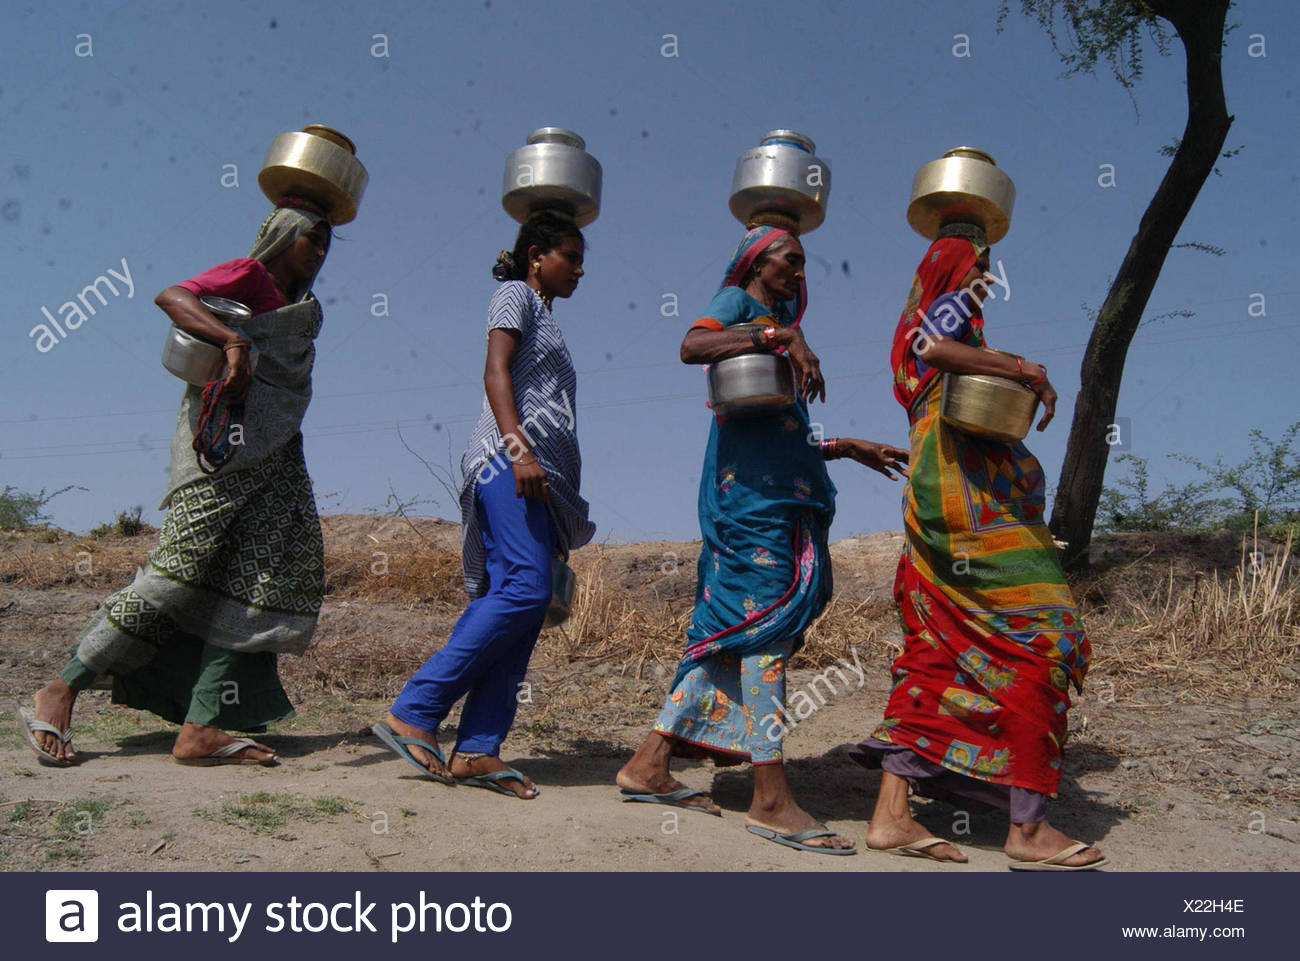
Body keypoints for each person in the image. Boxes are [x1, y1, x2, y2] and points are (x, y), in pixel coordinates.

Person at [617, 223, 910, 855]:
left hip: (779, 498)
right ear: (756, 262)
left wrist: (842, 446)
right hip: (748, 507)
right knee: (764, 636)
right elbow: (692, 345)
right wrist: (780, 333)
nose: (798, 275)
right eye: (790, 261)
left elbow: (780, 436)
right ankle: (770, 797)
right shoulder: (738, 306)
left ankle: (648, 764)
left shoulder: (770, 327)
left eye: (804, 267)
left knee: (738, 634)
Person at [19, 199, 336, 766]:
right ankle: (62, 687)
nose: (320, 249)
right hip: (222, 451)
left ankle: (202, 726)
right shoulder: (249, 275)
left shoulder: (304, 308)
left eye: (326, 241)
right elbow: (172, 296)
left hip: (277, 457)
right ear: (282, 237)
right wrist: (234, 341)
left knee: (263, 578)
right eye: (311, 237)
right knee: (175, 572)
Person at [851, 225, 1107, 870]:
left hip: (942, 509)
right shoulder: (946, 321)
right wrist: (1025, 370)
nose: (985, 277)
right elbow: (935, 346)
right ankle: (1027, 829)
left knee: (939, 648)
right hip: (968, 512)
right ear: (948, 270)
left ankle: (891, 817)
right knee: (1045, 634)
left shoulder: (945, 339)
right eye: (977, 265)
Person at [372, 210, 593, 799]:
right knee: (524, 587)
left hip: (538, 479)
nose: (578, 270)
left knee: (523, 602)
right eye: (570, 257)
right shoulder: (514, 295)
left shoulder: (547, 317)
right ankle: (415, 710)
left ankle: (477, 749)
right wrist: (519, 450)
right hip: (506, 463)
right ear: (536, 256)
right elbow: (495, 372)